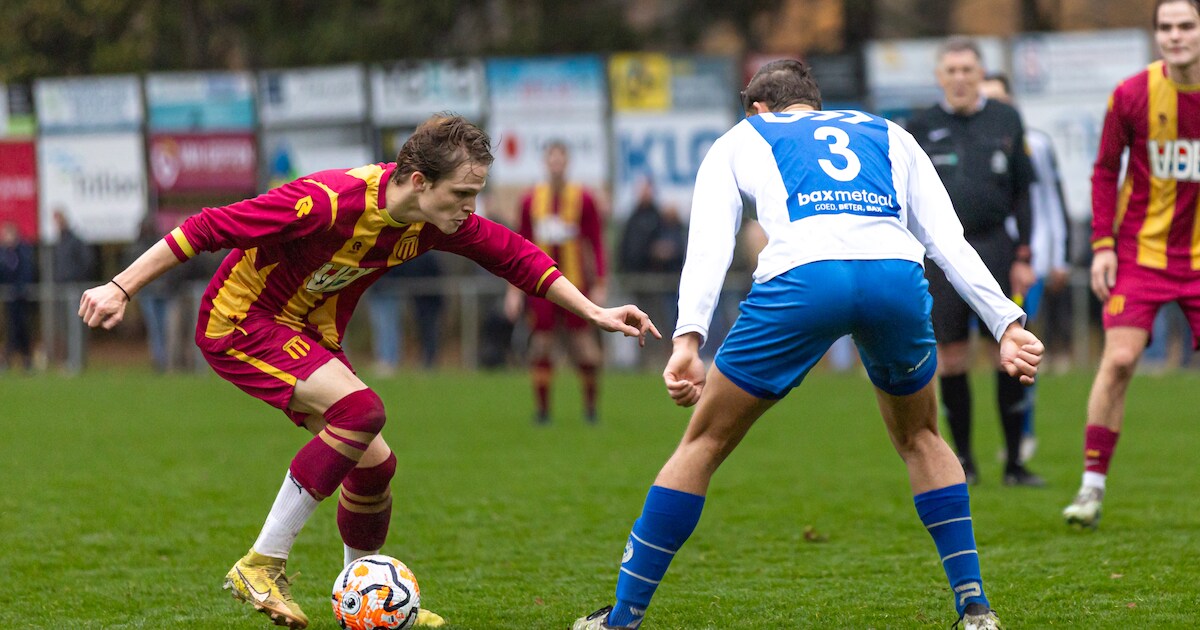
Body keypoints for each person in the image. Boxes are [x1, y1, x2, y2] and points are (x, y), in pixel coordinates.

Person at [78, 114, 659, 630]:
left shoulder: (436, 219)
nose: (470, 208)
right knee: (362, 410)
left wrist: (594, 311)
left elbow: (515, 254)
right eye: (462, 194)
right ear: (416, 181)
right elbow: (207, 227)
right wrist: (119, 285)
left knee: (377, 463)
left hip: (307, 333)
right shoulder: (328, 201)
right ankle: (262, 562)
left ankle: (364, 593)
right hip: (240, 322)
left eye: (475, 194)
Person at [573, 59, 1041, 630]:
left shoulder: (742, 138)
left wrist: (688, 339)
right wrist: (1007, 324)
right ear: (814, 103)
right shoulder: (888, 131)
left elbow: (710, 243)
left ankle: (622, 617)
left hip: (804, 279)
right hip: (892, 274)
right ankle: (975, 609)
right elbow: (947, 238)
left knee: (704, 442)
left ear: (757, 109)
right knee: (921, 436)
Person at [1063, 0, 1200, 529]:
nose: (1175, 35)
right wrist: (1102, 245)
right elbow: (1103, 171)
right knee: (1119, 360)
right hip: (1142, 255)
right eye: (1165, 27)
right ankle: (1091, 489)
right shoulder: (1132, 94)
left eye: (1186, 25)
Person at [906, 37, 1042, 486]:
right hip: (940, 258)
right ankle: (963, 461)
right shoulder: (920, 126)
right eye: (952, 70)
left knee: (1007, 349)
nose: (961, 78)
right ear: (939, 77)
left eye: (968, 69)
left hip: (996, 249)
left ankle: (1014, 463)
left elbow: (1024, 192)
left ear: (981, 73)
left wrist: (1024, 253)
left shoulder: (1006, 118)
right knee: (951, 356)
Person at [980, 71, 1073, 464]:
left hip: (1024, 261)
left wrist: (1055, 256)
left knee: (1020, 344)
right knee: (976, 350)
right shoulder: (973, 142)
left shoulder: (1034, 143)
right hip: (979, 260)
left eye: (999, 99)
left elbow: (1049, 201)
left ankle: (1023, 433)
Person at [504, 141, 609, 424]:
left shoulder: (583, 199)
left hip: (575, 284)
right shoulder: (530, 201)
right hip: (541, 285)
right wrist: (513, 290)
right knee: (541, 343)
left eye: (561, 160)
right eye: (552, 160)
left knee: (584, 344)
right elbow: (518, 246)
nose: (556, 165)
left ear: (567, 163)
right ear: (545, 163)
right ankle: (542, 411)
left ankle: (590, 408)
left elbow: (596, 242)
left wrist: (599, 281)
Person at [0, 221, 36, 371]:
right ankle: (9, 359)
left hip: (21, 297)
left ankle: (25, 360)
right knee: (11, 328)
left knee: (21, 328)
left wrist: (19, 289)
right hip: (9, 298)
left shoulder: (23, 251)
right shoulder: (3, 253)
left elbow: (27, 272)